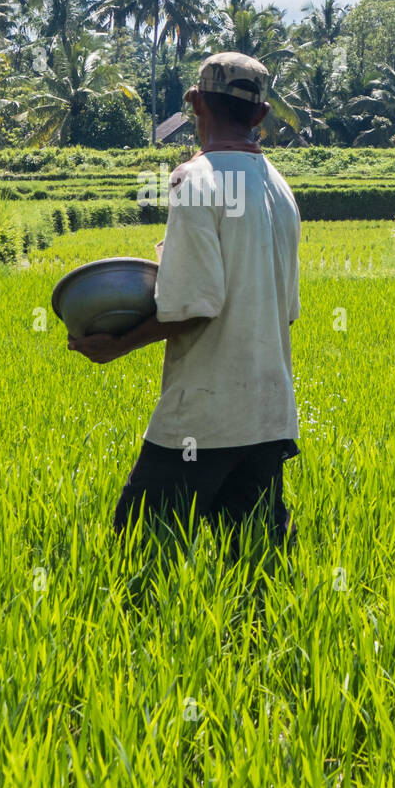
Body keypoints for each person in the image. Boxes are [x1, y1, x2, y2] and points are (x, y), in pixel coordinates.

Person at [68, 52, 301, 552]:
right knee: (256, 572)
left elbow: (195, 304)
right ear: (260, 115)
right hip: (268, 413)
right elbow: (286, 310)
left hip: (202, 416)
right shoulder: (281, 190)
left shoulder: (194, 179)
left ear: (195, 102)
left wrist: (118, 343)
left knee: (137, 559)